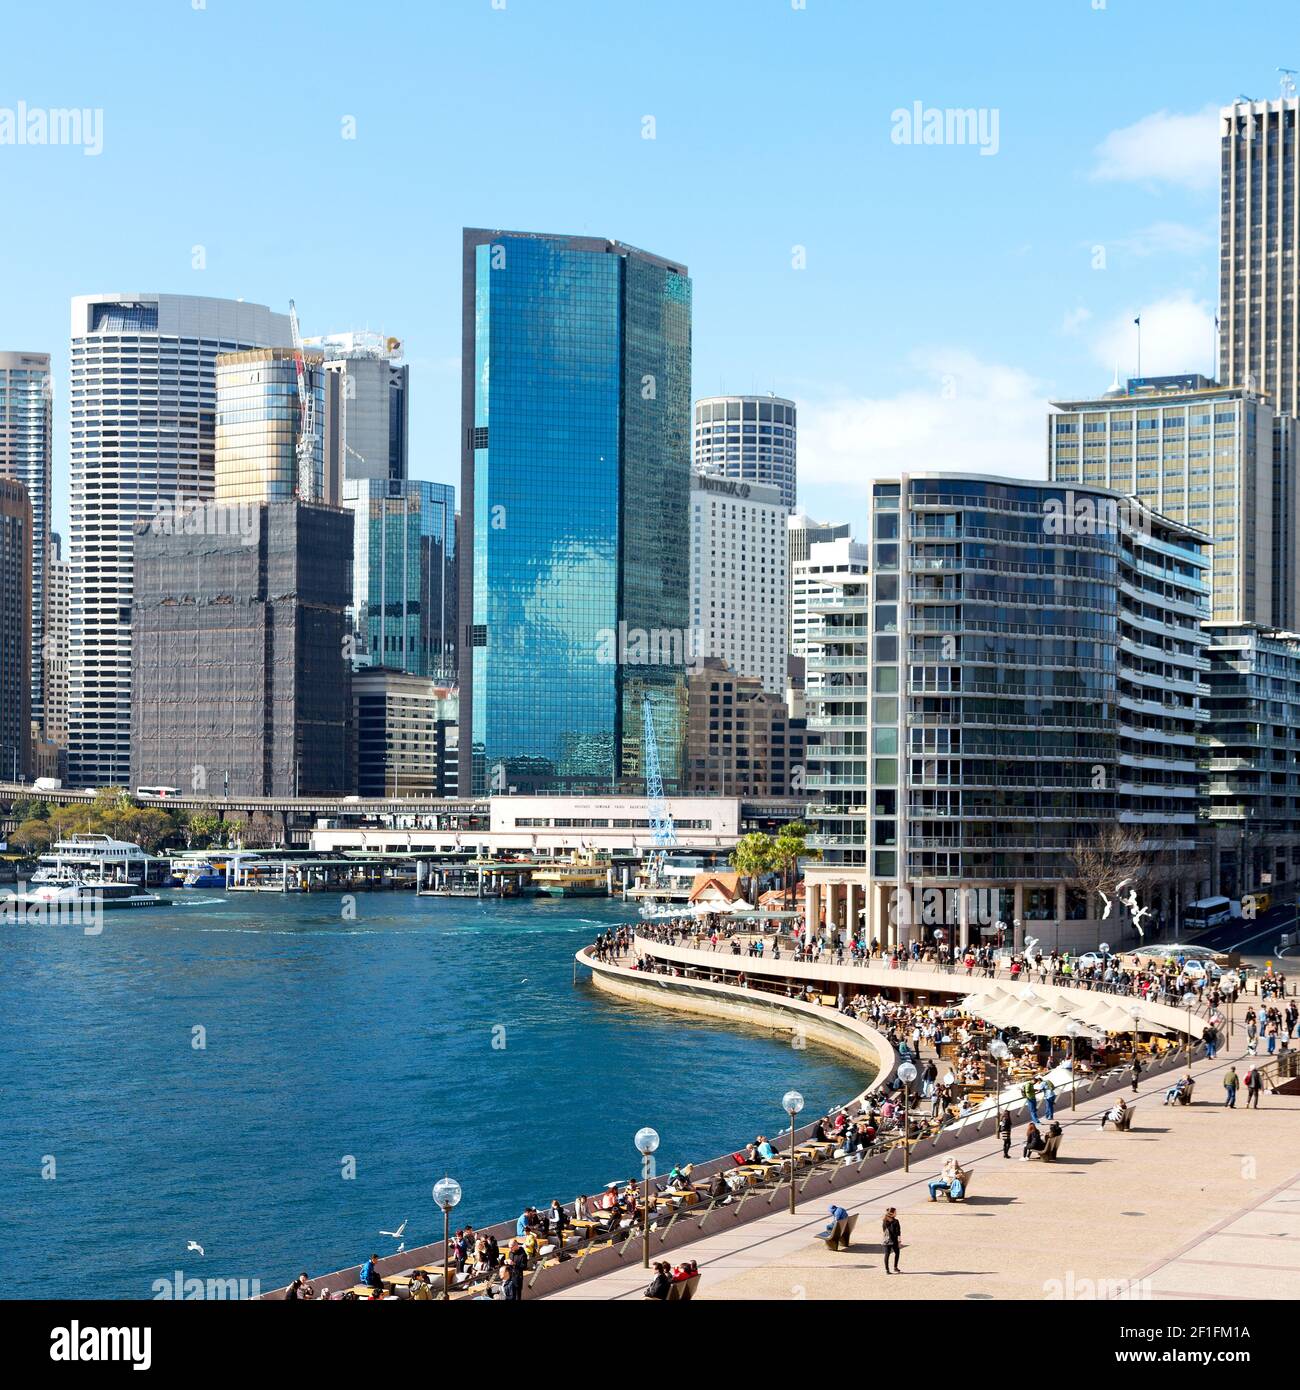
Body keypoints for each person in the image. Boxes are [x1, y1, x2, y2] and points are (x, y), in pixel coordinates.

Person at [881, 1207, 902, 1274]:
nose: (896, 1213)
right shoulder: (896, 1221)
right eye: (895, 1212)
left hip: (886, 1240)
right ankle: (895, 1267)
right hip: (894, 1240)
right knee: (897, 1253)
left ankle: (887, 1270)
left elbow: (884, 1230)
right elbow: (898, 1232)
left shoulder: (884, 1221)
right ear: (892, 1214)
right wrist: (899, 1241)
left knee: (887, 1254)